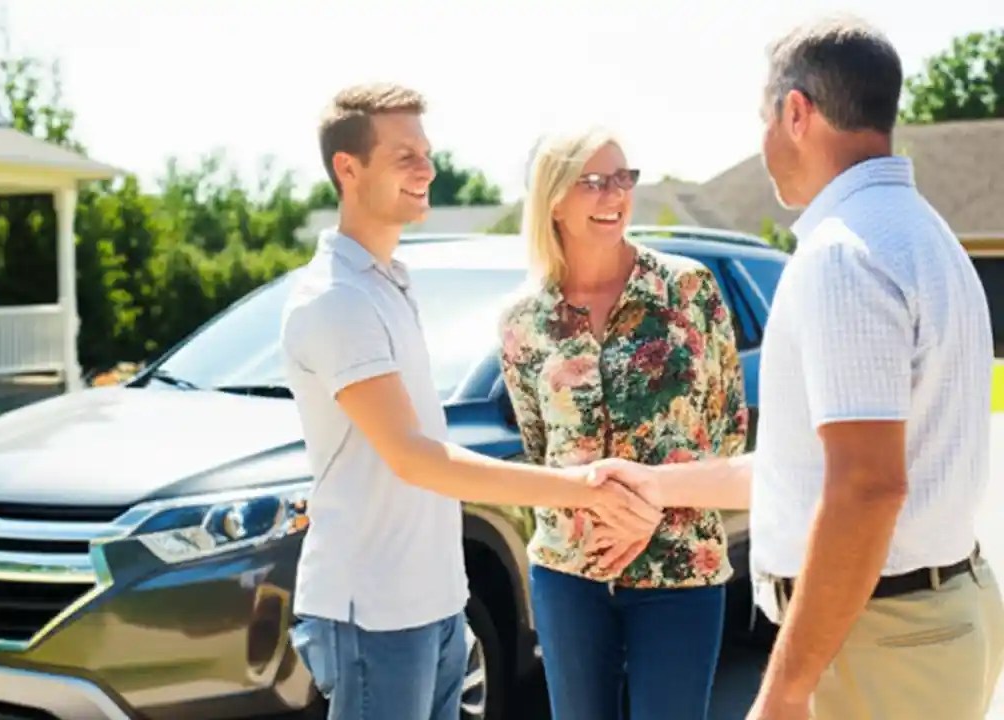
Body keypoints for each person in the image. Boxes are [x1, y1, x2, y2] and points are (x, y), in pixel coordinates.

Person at [592, 15, 1004, 720]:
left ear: (796, 112)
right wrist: (657, 484)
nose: (761, 142)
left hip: (881, 639)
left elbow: (867, 487)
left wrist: (786, 689)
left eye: (763, 117)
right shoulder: (921, 232)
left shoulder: (845, 255)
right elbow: (810, 474)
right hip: (908, 627)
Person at [278, 84, 662, 720]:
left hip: (434, 601)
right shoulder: (336, 299)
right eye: (405, 156)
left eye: (426, 152)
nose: (427, 169)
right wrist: (581, 488)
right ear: (349, 169)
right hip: (374, 610)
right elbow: (417, 459)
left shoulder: (388, 284)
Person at [496, 127, 749, 720]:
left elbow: (727, 430)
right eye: (592, 181)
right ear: (553, 199)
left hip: (681, 564)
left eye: (623, 177)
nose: (615, 194)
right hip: (568, 572)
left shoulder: (689, 290)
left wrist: (644, 509)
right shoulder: (522, 321)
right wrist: (601, 510)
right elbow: (542, 450)